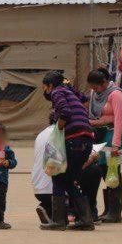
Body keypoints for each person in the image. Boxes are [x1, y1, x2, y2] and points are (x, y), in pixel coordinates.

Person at [39, 72, 95, 231]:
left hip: (74, 140)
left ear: (50, 86)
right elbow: (84, 98)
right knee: (69, 180)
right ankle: (86, 219)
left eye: (44, 88)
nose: (45, 92)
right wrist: (69, 86)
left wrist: (58, 129)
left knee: (57, 177)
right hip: (87, 139)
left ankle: (58, 221)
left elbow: (65, 112)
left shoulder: (57, 92)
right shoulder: (68, 91)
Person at [86, 67, 122, 223]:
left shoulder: (116, 95)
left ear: (104, 82)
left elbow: (119, 121)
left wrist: (116, 145)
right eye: (92, 88)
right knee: (102, 169)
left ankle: (115, 212)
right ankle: (108, 209)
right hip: (98, 133)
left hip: (112, 134)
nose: (94, 91)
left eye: (96, 87)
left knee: (112, 170)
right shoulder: (94, 93)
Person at [32, 123, 55, 224]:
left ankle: (45, 208)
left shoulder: (41, 134)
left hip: (38, 189)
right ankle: (48, 209)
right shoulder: (59, 133)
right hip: (53, 191)